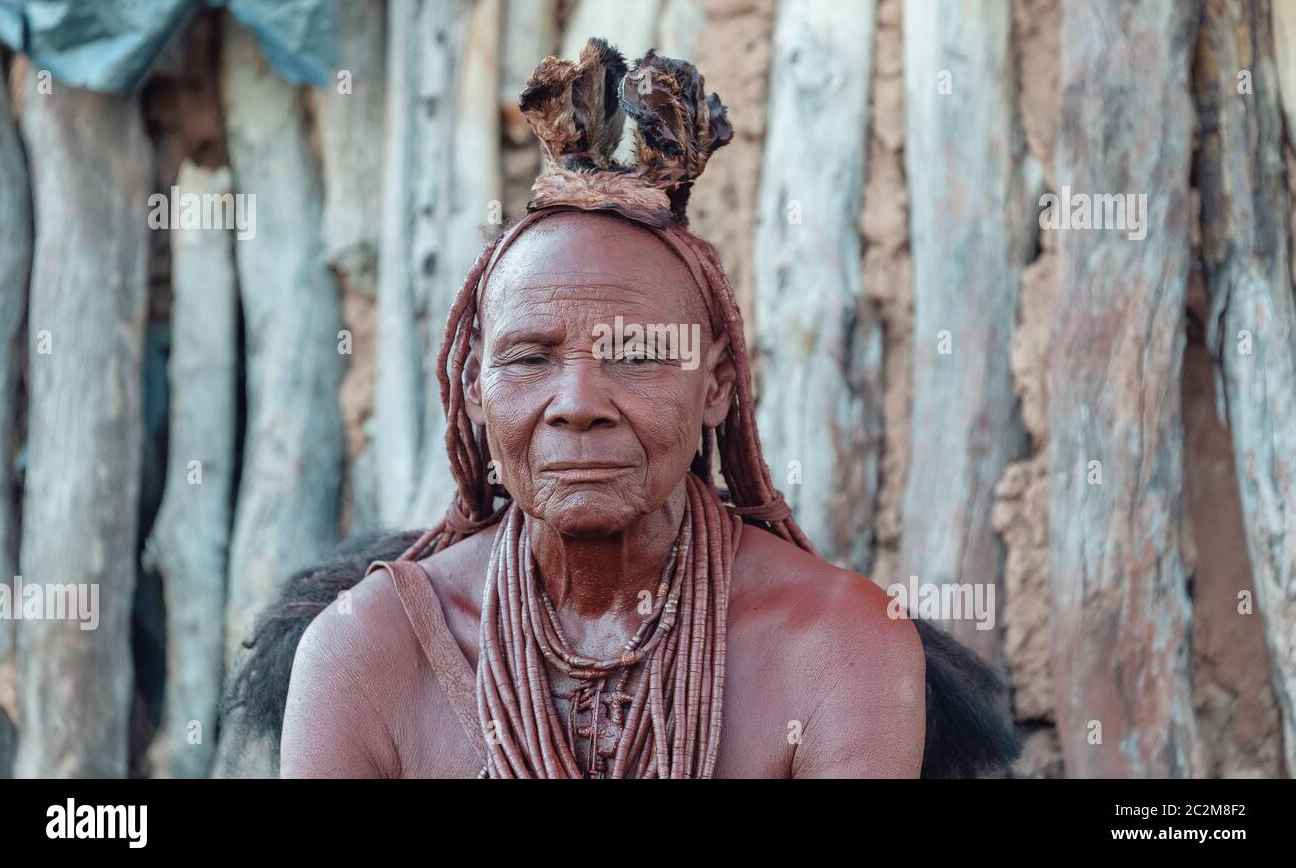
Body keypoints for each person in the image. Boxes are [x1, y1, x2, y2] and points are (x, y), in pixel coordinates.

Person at [225, 39, 1019, 779]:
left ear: (716, 388)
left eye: (637, 356)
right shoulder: (369, 649)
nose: (577, 405)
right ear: (473, 390)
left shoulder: (835, 645)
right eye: (530, 359)